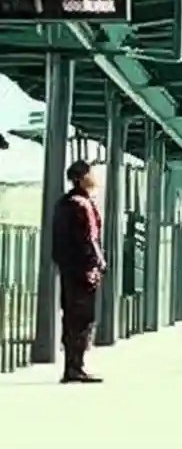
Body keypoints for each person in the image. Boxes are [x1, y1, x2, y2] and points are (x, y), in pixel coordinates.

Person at [50, 160, 106, 384]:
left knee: (71, 315)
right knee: (82, 317)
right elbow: (88, 239)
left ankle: (72, 366)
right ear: (83, 177)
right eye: (92, 173)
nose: (95, 177)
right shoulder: (81, 204)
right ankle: (75, 367)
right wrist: (96, 263)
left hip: (68, 267)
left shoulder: (64, 202)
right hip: (82, 268)